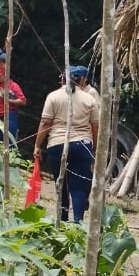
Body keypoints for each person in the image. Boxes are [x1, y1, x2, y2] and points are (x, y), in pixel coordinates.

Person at [33, 65, 99, 223]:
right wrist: (94, 146)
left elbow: (45, 123)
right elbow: (95, 125)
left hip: (57, 144)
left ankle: (62, 220)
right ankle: (78, 222)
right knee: (78, 187)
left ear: (62, 78)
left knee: (60, 183)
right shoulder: (89, 98)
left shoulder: (53, 96)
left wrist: (37, 145)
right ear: (80, 80)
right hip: (82, 145)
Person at [0, 71, 26, 145]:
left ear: (5, 75)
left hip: (9, 115)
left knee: (9, 142)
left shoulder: (13, 86)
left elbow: (23, 101)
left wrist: (6, 99)